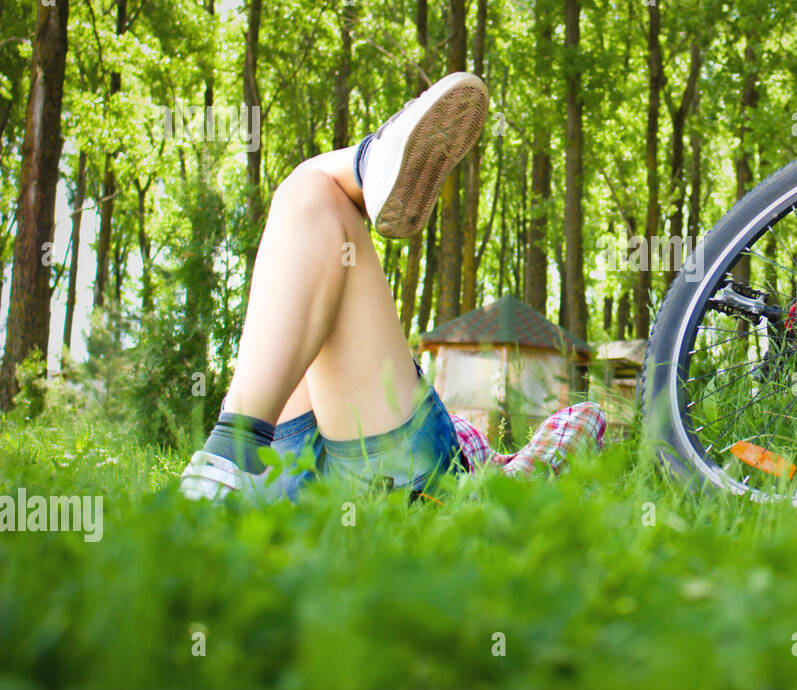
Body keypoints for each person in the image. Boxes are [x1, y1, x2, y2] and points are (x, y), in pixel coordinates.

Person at [179, 72, 606, 504]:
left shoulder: (495, 468)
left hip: (374, 473)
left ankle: (370, 161)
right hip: (306, 457)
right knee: (310, 194)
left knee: (310, 187)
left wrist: (498, 477)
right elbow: (584, 418)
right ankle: (371, 163)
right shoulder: (464, 436)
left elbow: (583, 421)